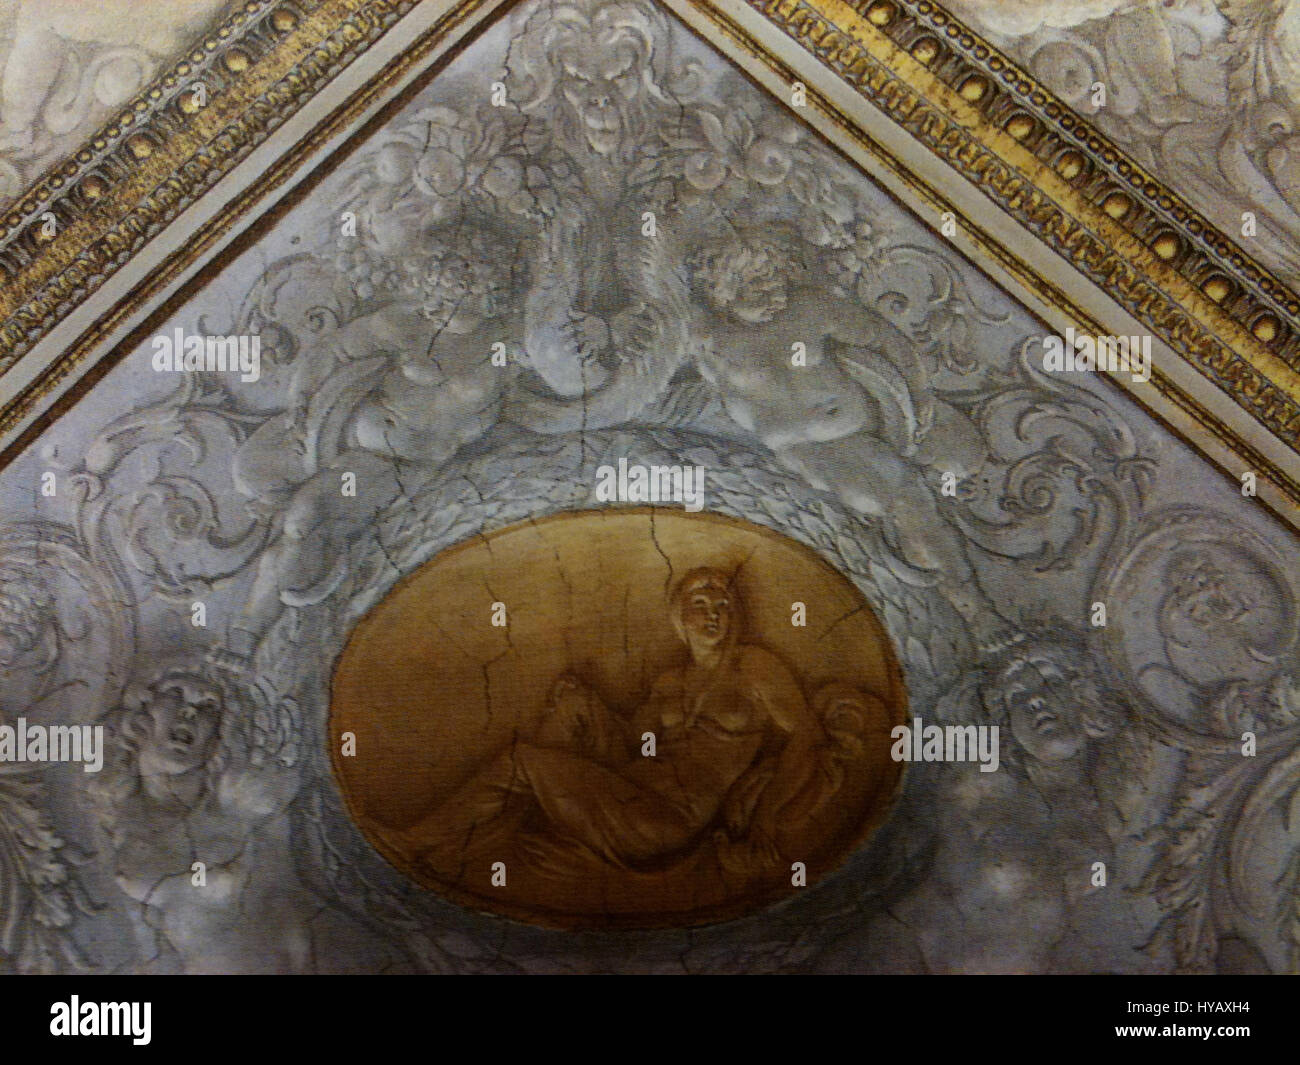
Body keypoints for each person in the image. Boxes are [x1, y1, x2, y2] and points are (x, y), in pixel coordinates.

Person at [396, 568, 822, 881]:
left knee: (522, 763)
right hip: (632, 789)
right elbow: (638, 744)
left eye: (724, 606)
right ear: (680, 619)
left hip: (667, 819)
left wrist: (767, 818)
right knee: (572, 707)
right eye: (700, 605)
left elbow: (807, 735)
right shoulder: (671, 682)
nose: (714, 615)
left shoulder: (755, 667)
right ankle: (508, 825)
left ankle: (419, 842)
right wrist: (584, 703)